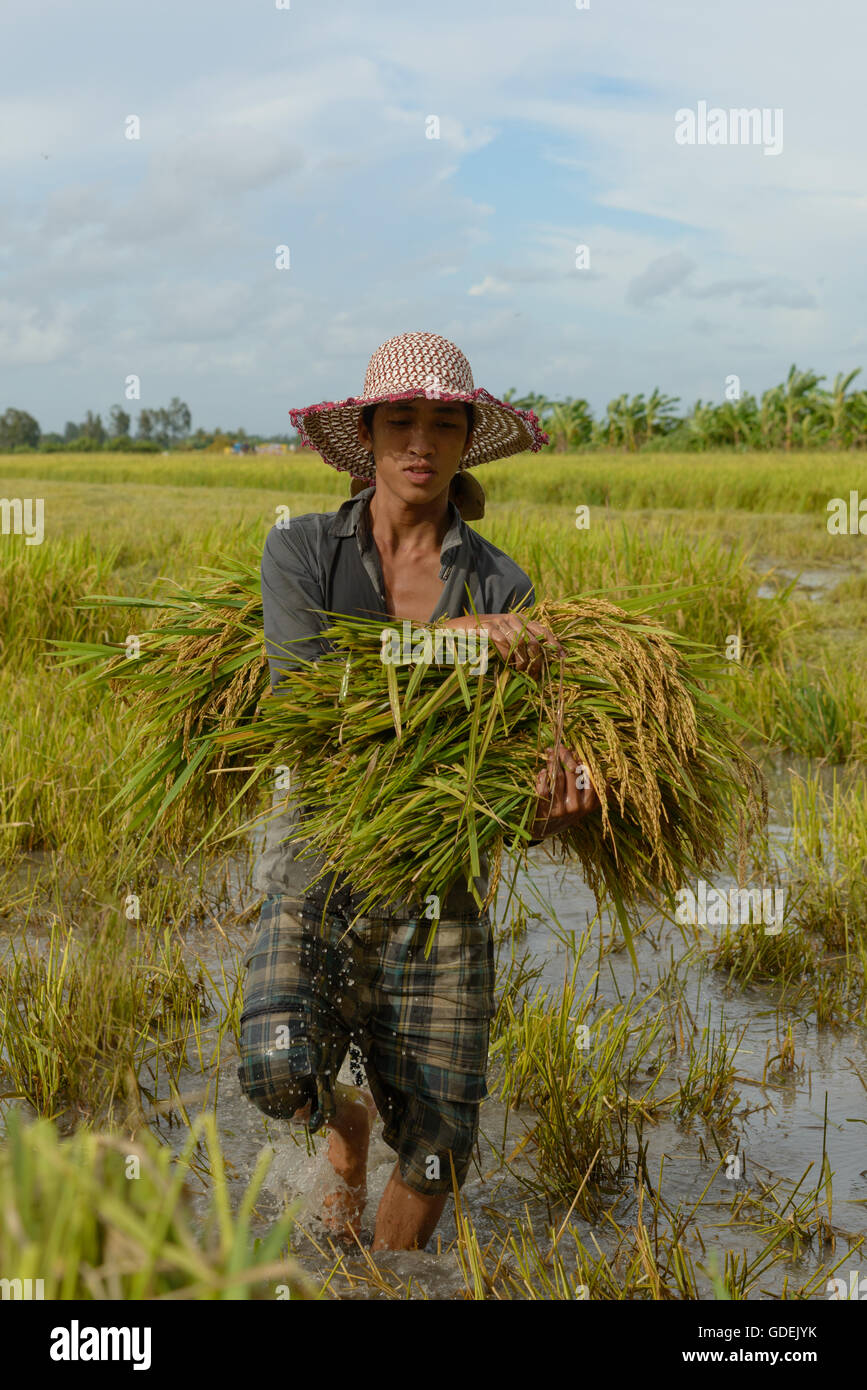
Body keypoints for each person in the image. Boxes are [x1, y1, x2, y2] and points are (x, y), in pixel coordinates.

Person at [237, 331, 600, 1252]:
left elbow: (499, 766)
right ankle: (344, 1125)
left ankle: (379, 1285)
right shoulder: (301, 553)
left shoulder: (499, 581)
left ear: (466, 437)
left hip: (439, 878)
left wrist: (548, 803)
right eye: (401, 419)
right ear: (367, 432)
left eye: (444, 423)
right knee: (277, 1071)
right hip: (317, 851)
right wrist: (459, 642)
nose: (420, 442)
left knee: (438, 1147)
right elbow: (308, 700)